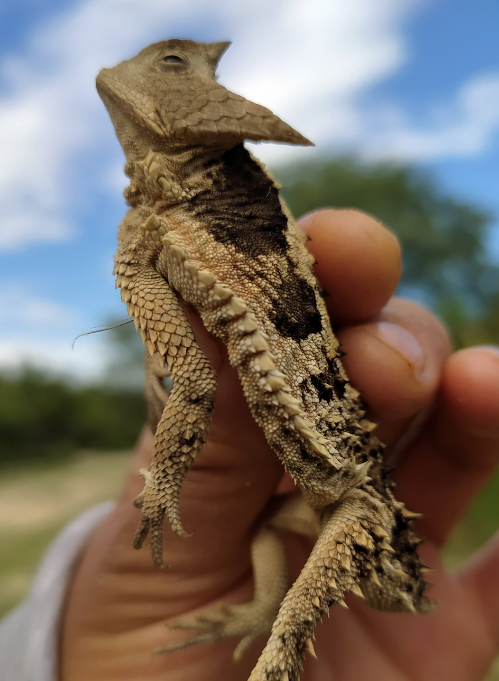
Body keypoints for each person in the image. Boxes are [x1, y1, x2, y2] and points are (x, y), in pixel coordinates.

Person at [1, 209, 498, 681]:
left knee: (284, 640)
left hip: (362, 511)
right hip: (327, 504)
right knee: (265, 531)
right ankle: (265, 608)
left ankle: (272, 624)